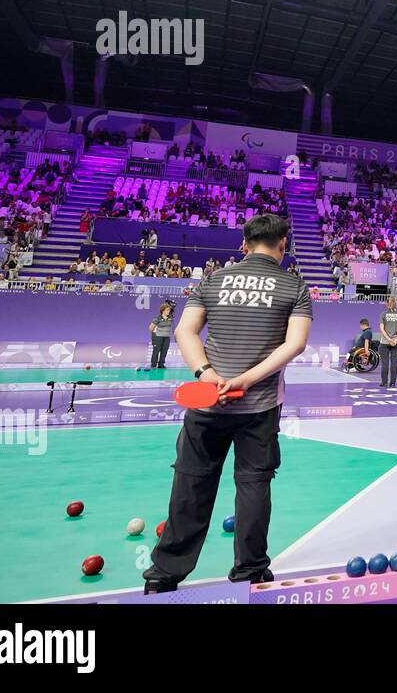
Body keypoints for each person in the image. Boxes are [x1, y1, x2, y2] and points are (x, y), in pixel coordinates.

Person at [144, 214, 312, 593]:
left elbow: (185, 330)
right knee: (253, 485)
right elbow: (295, 343)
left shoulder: (213, 279)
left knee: (192, 483)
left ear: (244, 243)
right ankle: (250, 572)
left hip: (206, 406)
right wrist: (247, 379)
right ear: (283, 243)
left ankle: (163, 575)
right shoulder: (294, 286)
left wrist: (205, 374)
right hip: (260, 407)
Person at [376, 296, 397, 388]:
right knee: (394, 363)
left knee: (385, 363)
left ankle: (384, 382)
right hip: (396, 342)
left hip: (384, 342)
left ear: (386, 304)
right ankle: (393, 383)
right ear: (395, 303)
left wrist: (388, 339)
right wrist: (395, 339)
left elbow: (382, 329)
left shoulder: (383, 314)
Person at [148, 300, 176, 369]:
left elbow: (173, 310)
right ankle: (153, 365)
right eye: (167, 310)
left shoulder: (170, 318)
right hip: (158, 337)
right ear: (162, 311)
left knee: (164, 351)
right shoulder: (157, 318)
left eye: (169, 310)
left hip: (167, 337)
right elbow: (150, 328)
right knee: (156, 351)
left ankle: (161, 364)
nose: (168, 311)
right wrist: (154, 335)